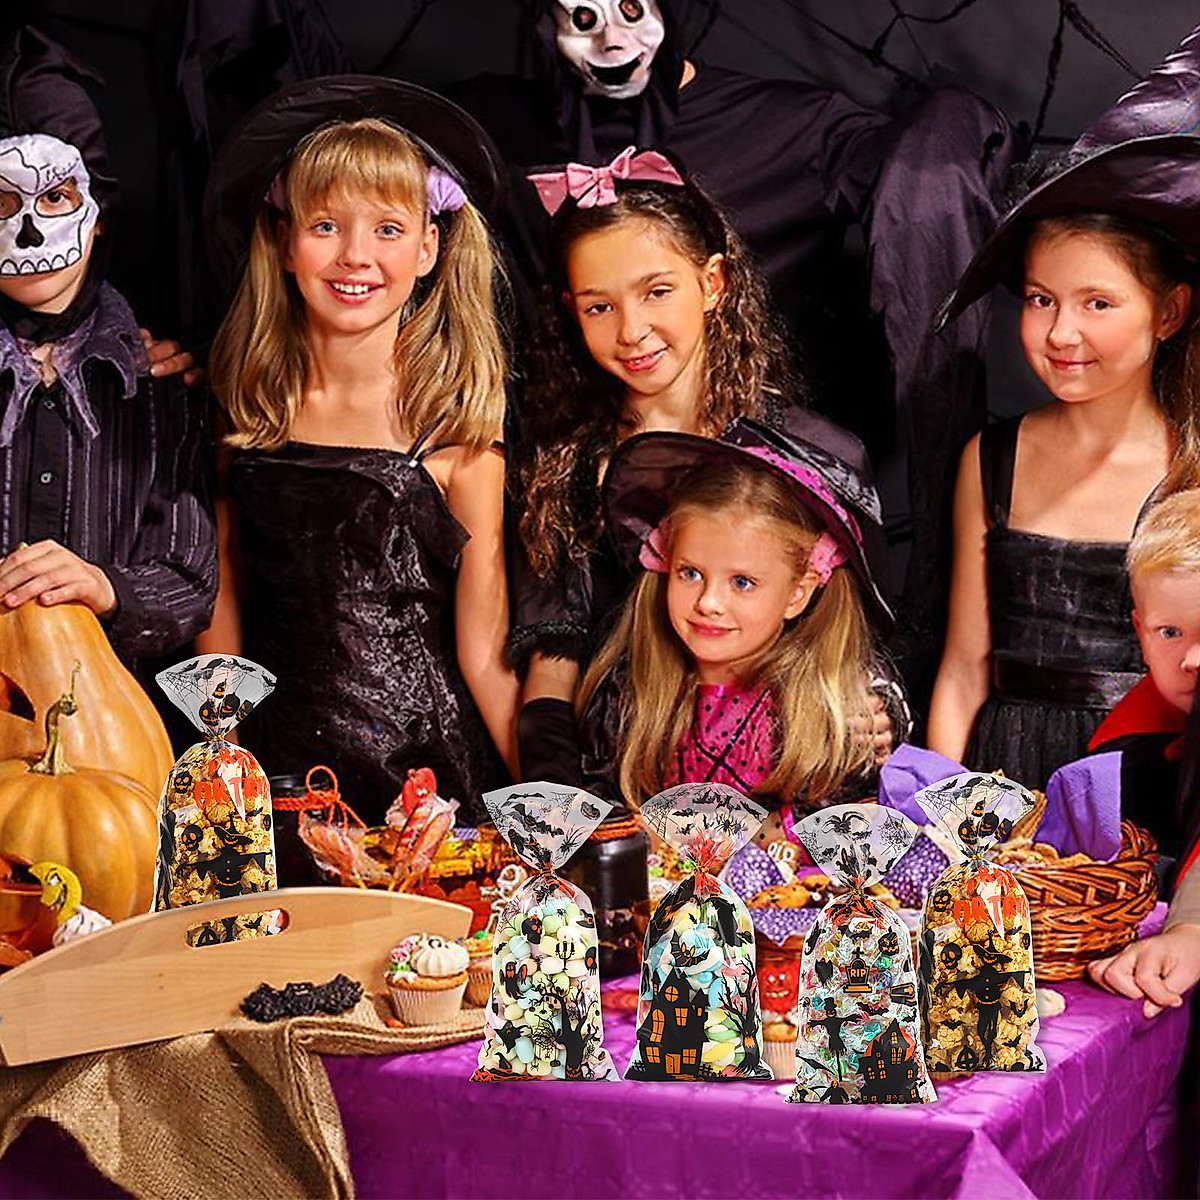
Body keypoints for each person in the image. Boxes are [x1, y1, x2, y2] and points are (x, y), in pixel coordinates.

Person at [511, 148, 903, 791]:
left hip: (780, 783)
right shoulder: (567, 470)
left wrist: (880, 709)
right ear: (570, 311)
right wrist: (563, 804)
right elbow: (552, 667)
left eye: (657, 292)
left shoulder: (812, 454)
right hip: (626, 774)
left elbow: (853, 643)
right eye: (599, 306)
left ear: (713, 282)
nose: (632, 330)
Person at [201, 77, 518, 824]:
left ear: (429, 247)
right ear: (285, 242)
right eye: (325, 226)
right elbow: (222, 606)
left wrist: (554, 814)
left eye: (387, 229)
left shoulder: (457, 435)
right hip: (282, 780)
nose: (355, 256)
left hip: (427, 790)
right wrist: (224, 760)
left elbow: (484, 652)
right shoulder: (243, 417)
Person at [928, 133, 1200, 790]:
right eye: (1040, 298)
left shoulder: (1190, 468)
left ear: (1169, 312)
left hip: (1144, 785)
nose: (1060, 333)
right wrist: (940, 810)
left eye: (1096, 303)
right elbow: (964, 669)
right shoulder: (991, 460)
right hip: (1005, 783)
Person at [0, 27, 216, 671]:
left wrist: (107, 588)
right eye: (0, 203)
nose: (28, 232)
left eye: (55, 198)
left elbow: (192, 577)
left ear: (96, 215)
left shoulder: (159, 390)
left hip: (106, 707)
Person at [576, 423, 892, 835]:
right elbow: (604, 815)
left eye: (742, 582)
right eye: (690, 573)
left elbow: (849, 826)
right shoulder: (630, 694)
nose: (708, 602)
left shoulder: (832, 705)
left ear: (797, 594)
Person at [1087, 489, 1200, 1017]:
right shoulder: (1126, 743)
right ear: (1139, 630)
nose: (1193, 658)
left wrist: (1192, 927)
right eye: (1169, 632)